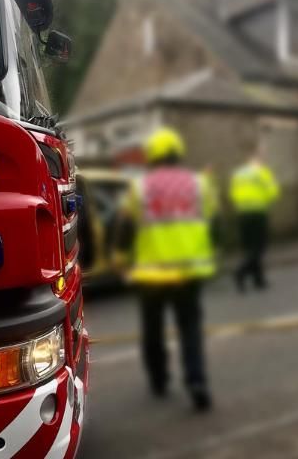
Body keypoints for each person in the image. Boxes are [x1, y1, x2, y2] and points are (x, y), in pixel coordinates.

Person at [119, 127, 217, 411]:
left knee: (152, 331)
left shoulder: (140, 187)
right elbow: (211, 219)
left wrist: (121, 258)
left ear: (153, 156)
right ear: (178, 153)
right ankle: (196, 381)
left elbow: (126, 225)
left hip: (152, 275)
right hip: (189, 272)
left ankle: (159, 379)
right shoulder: (200, 183)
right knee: (190, 330)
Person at [230, 148, 280, 292]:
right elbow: (273, 192)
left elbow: (232, 194)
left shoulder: (238, 173)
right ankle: (240, 272)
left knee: (249, 248)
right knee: (259, 247)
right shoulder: (262, 172)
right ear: (258, 159)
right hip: (258, 212)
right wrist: (264, 199)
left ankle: (259, 280)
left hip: (242, 214)